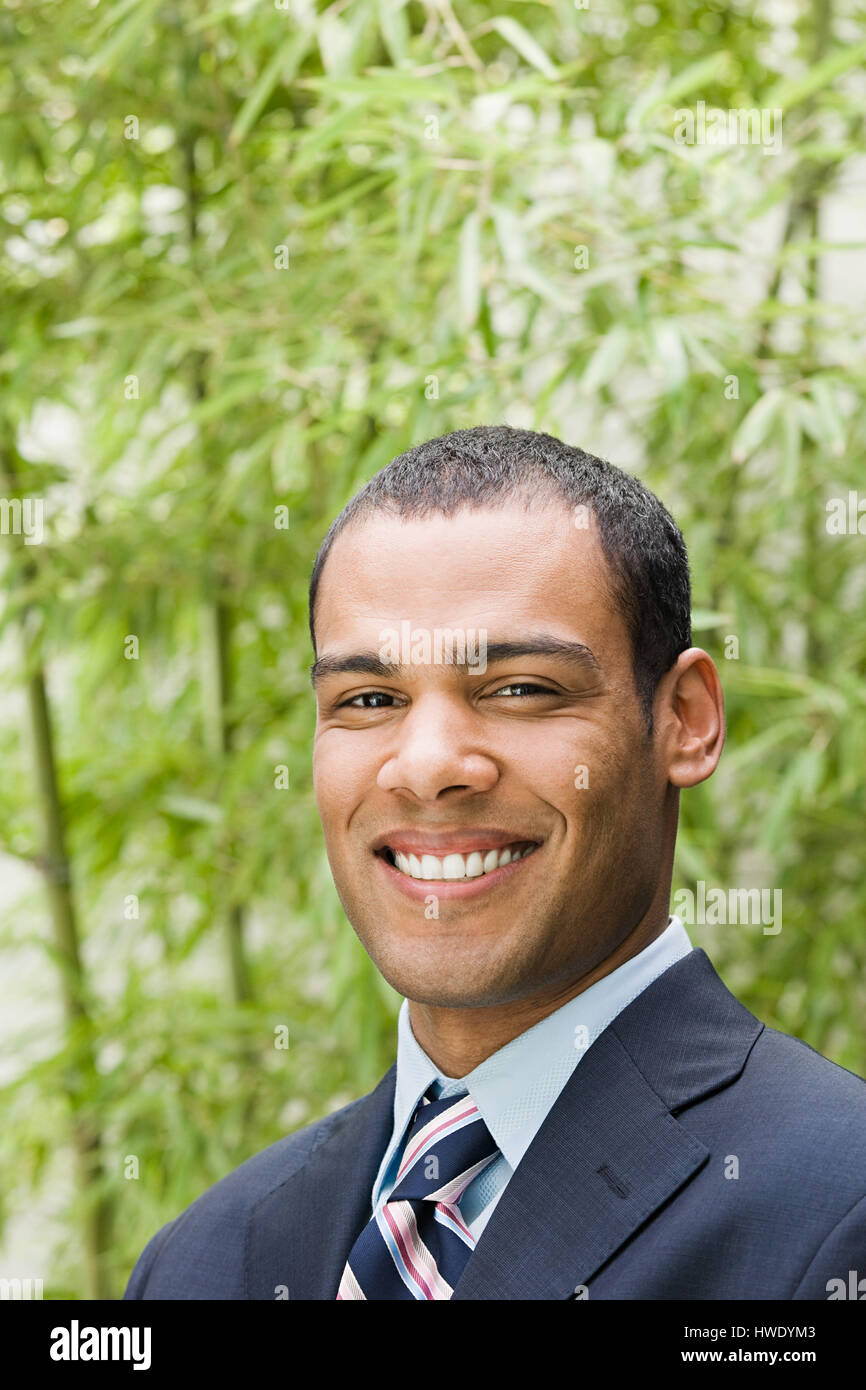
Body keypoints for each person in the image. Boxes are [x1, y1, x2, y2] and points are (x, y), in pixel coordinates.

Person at [124, 425, 866, 1301]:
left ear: (686, 720)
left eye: (519, 689)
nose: (431, 765)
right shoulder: (205, 1258)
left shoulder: (835, 1211)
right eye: (369, 698)